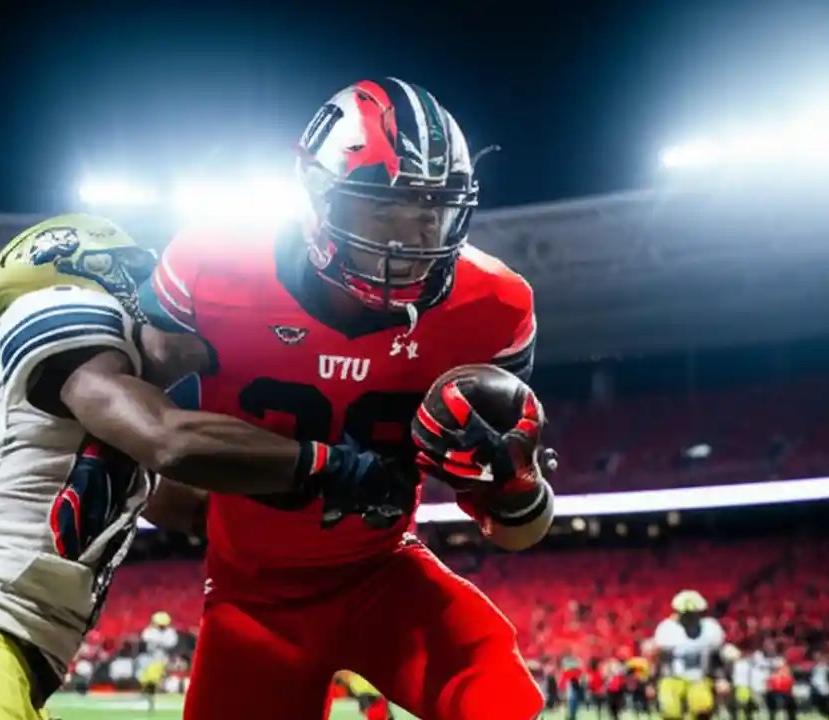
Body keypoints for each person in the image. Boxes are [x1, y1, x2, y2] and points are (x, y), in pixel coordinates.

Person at [0, 214, 406, 720]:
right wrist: (330, 466)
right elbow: (170, 438)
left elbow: (199, 510)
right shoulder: (52, 307)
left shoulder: (88, 430)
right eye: (131, 274)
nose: (146, 294)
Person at [140, 77, 556, 720]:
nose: (415, 236)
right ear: (315, 192)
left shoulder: (492, 304)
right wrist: (176, 497)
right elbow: (139, 419)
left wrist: (518, 483)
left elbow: (514, 532)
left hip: (381, 571)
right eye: (384, 205)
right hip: (254, 596)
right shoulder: (216, 261)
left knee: (501, 699)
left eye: (434, 207)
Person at [653, 590, 727, 720]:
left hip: (700, 678)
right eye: (685, 614)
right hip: (673, 678)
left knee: (702, 708)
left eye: (692, 614)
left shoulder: (710, 629)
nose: (689, 618)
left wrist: (721, 678)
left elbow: (716, 658)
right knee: (671, 712)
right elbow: (661, 659)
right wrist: (653, 682)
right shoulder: (667, 630)